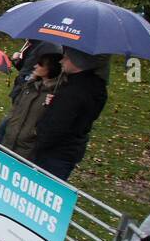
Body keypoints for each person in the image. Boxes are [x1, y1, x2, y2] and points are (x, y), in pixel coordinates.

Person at [31, 48, 108, 180]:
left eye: (66, 57)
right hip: (69, 151)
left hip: (54, 153)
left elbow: (57, 125)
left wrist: (38, 142)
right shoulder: (95, 86)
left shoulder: (74, 92)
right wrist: (56, 102)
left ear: (78, 61)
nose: (61, 61)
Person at [0, 52, 62, 162]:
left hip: (27, 149)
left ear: (51, 69)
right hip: (9, 140)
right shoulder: (30, 86)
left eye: (40, 64)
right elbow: (16, 107)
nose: (35, 66)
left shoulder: (56, 94)